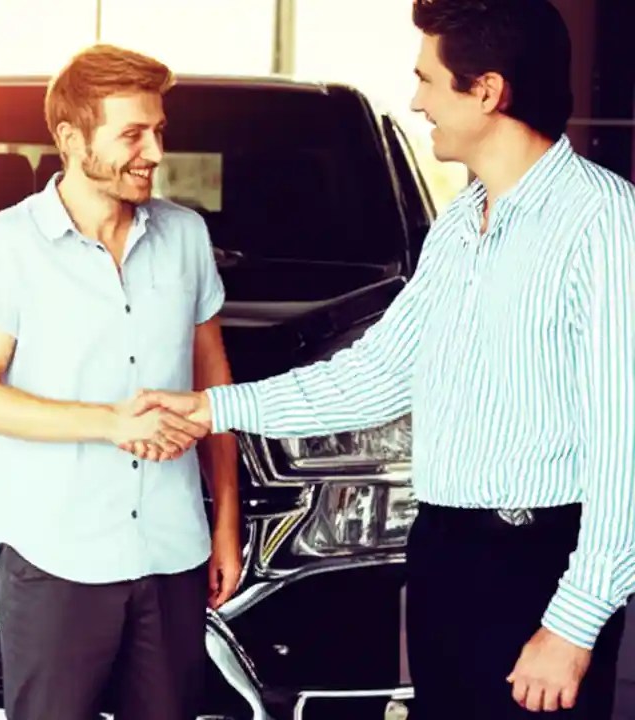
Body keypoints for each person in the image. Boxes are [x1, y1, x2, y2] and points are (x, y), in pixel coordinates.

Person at [140, 1, 635, 717]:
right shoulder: (461, 224)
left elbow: (626, 446)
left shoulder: (606, 224)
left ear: (488, 90)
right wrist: (212, 407)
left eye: (429, 80)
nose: (416, 100)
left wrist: (574, 622)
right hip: (442, 550)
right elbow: (376, 376)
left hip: (539, 561)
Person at [0, 44, 239, 719]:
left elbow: (214, 385)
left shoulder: (186, 237)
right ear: (71, 138)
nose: (155, 152)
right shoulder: (6, 245)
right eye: (132, 133)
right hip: (56, 559)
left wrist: (225, 522)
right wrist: (112, 423)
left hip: (171, 551)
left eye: (159, 131)